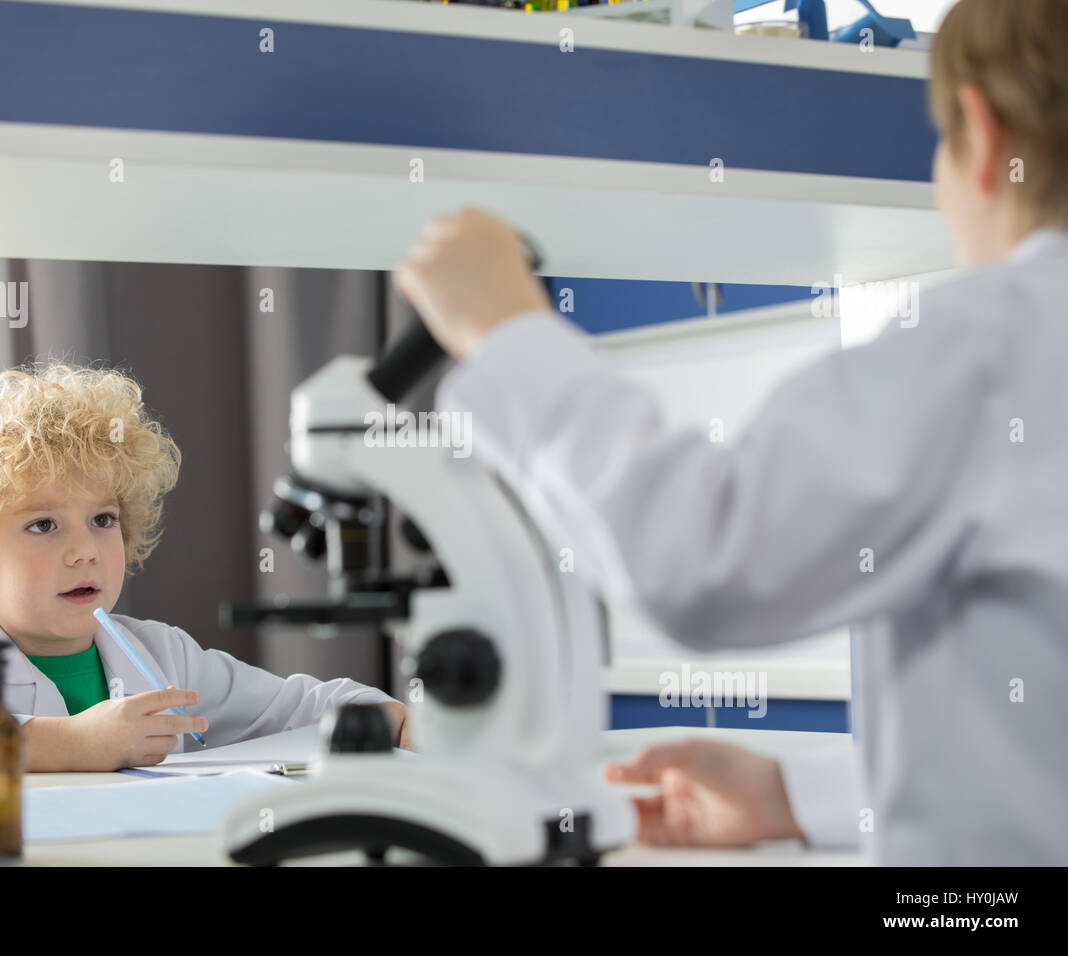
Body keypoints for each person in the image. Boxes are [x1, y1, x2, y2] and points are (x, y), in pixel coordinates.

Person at [392, 0, 1068, 864]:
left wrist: (506, 330)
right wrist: (793, 795)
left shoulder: (995, 339)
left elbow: (699, 553)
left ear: (980, 130)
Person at [0, 363, 408, 773]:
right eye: (43, 526)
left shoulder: (162, 656)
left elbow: (299, 709)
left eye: (102, 519)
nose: (85, 551)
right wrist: (73, 743)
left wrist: (401, 722)